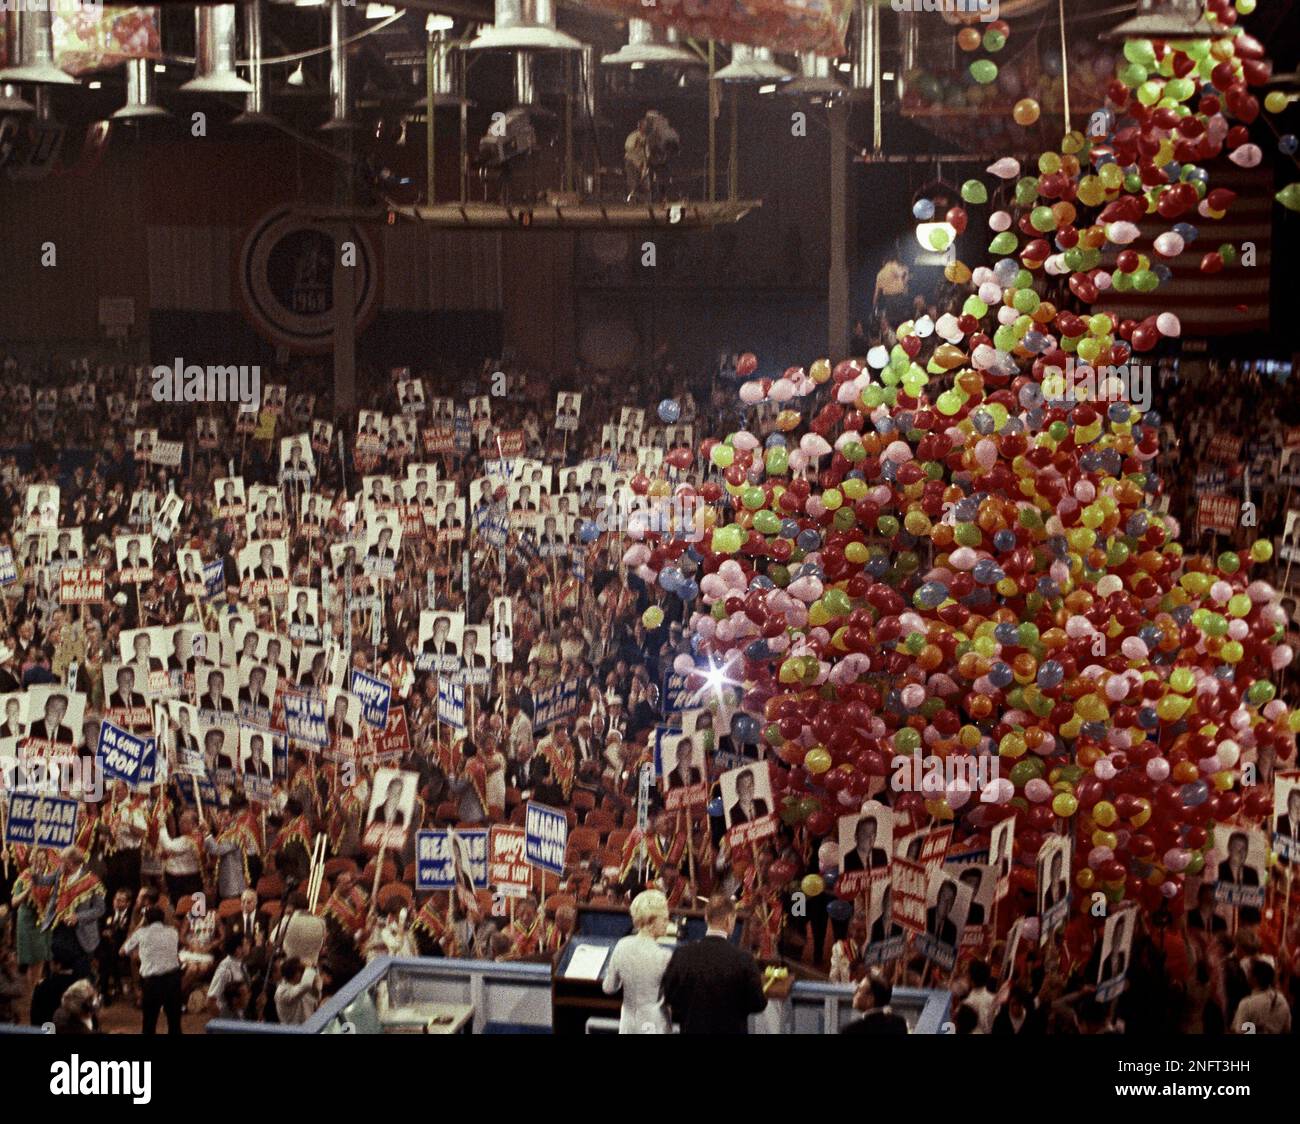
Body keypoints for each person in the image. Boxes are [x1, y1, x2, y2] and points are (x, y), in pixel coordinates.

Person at [661, 894, 767, 1035]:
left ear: (706, 918)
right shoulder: (744, 960)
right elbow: (758, 1003)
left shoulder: (682, 954)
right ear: (729, 920)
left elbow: (669, 996)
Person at [601, 889, 673, 1034]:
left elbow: (609, 988)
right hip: (655, 1024)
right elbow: (674, 996)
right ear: (650, 921)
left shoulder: (622, 945)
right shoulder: (664, 955)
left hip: (628, 1024)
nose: (667, 923)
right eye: (664, 919)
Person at [122, 905, 184, 1034]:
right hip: (173, 980)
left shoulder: (141, 933)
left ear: (146, 919)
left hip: (152, 982)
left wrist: (139, 925)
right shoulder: (173, 932)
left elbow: (122, 951)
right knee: (175, 1024)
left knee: (149, 1023)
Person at [1232, 957, 1291, 1033]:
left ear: (1255, 979)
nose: (1246, 976)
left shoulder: (1246, 1004)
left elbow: (1240, 1032)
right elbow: (1287, 1028)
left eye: (1249, 973)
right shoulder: (1281, 999)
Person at [840, 970, 908, 1035]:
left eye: (859, 990)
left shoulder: (851, 1030)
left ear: (870, 999)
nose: (854, 993)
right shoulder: (899, 1024)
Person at [275, 957, 321, 1025]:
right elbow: (306, 985)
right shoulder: (282, 992)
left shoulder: (301, 985)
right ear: (295, 974)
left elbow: (317, 995)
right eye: (302, 970)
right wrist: (309, 968)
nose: (304, 973)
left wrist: (313, 968)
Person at [926, 880, 959, 947]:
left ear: (953, 904)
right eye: (944, 897)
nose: (946, 904)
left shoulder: (952, 930)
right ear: (938, 897)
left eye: (950, 900)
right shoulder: (925, 915)